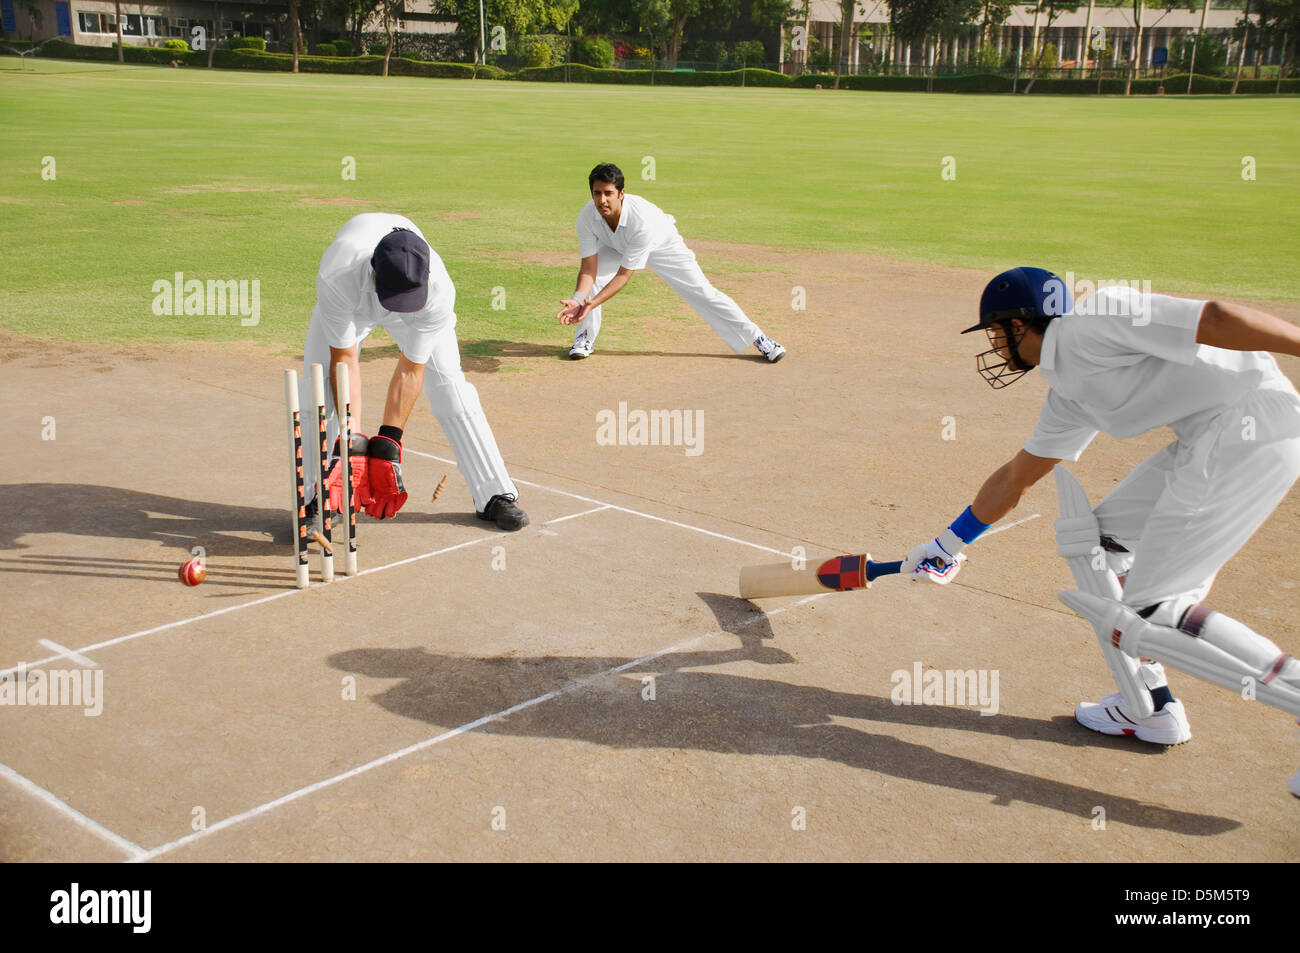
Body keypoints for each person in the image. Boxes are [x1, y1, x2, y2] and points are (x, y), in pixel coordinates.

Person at [899, 266, 1300, 796]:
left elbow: (1217, 318)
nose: (995, 346)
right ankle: (1151, 709)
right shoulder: (1068, 390)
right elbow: (1017, 476)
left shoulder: (1096, 319)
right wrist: (948, 546)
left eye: (997, 332)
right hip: (1208, 435)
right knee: (1100, 544)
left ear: (1022, 325)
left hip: (1251, 428)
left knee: (1154, 608)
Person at [299, 213, 527, 532]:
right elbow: (345, 361)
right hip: (353, 305)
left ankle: (495, 495)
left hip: (420, 311)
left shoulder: (438, 291)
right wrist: (351, 440)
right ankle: (318, 498)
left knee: (450, 385)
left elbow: (410, 369)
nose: (398, 306)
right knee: (317, 387)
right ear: (373, 271)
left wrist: (389, 441)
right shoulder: (338, 274)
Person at [556, 163, 787, 363]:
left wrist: (592, 303)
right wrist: (579, 301)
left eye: (608, 193)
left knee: (703, 292)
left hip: (662, 245)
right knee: (593, 283)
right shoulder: (587, 216)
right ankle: (584, 338)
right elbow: (589, 268)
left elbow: (624, 275)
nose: (602, 200)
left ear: (621, 193)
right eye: (597, 193)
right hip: (617, 245)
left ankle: (759, 338)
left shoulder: (642, 222)